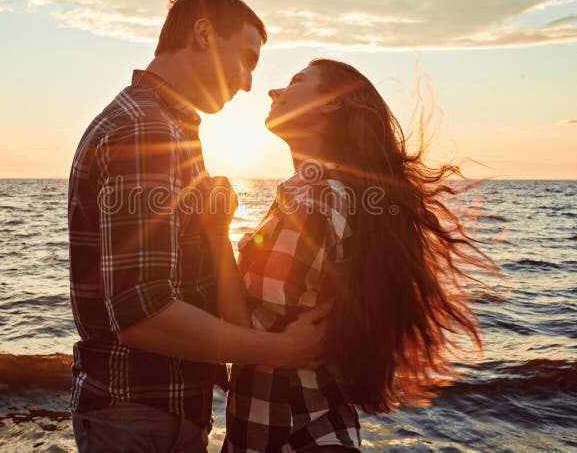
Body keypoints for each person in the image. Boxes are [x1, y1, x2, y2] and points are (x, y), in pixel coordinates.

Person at [68, 0, 331, 452]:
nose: (249, 82)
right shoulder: (146, 128)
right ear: (204, 33)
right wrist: (281, 350)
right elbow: (142, 314)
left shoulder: (165, 128)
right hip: (140, 420)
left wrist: (215, 234)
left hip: (151, 415)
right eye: (246, 59)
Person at [212, 59, 498, 452]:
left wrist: (215, 237)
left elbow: (245, 329)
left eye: (296, 81)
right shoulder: (336, 195)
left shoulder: (318, 199)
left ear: (332, 103)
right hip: (298, 429)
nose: (274, 91)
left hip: (295, 435)